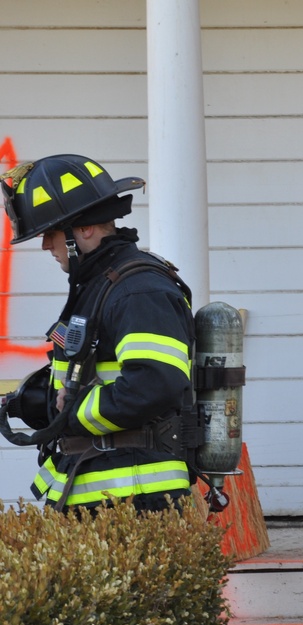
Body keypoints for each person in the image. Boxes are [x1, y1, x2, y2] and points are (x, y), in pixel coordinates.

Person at [1, 154, 196, 513]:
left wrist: (71, 414)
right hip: (104, 494)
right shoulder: (102, 285)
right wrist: (22, 403)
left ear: (83, 230)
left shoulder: (139, 291)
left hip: (138, 499)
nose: (46, 245)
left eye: (51, 233)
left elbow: (153, 385)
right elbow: (88, 376)